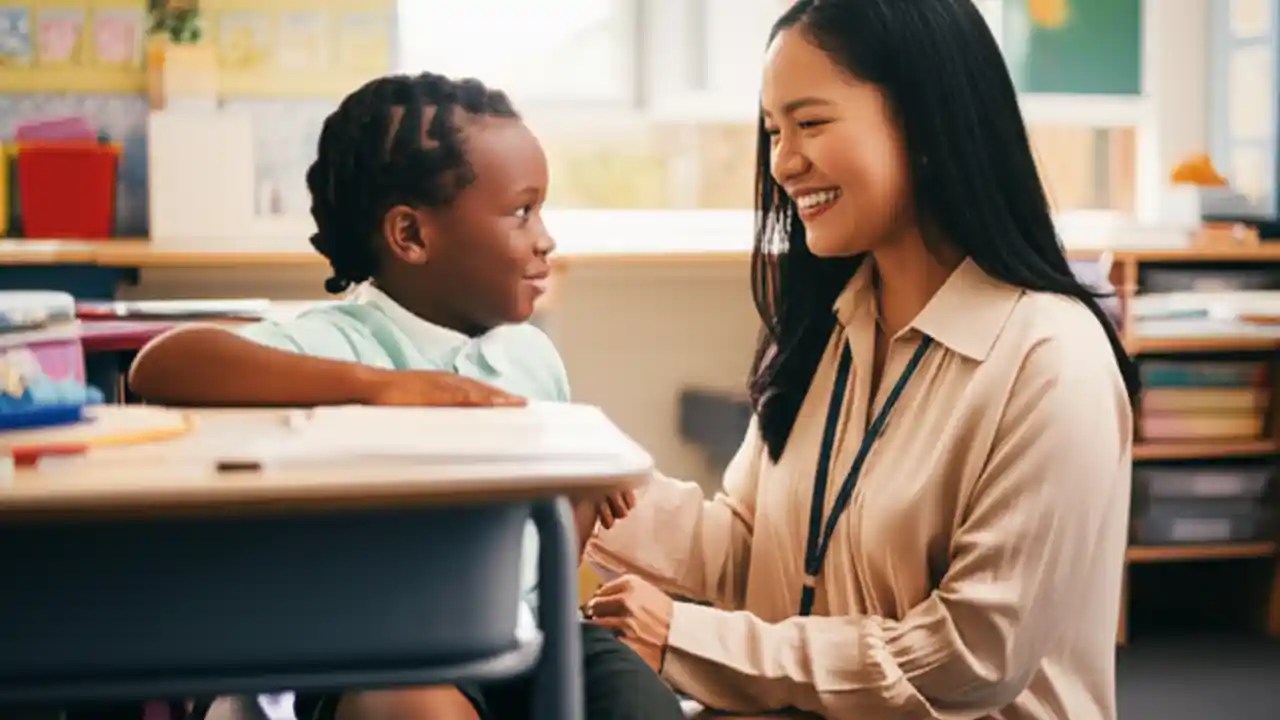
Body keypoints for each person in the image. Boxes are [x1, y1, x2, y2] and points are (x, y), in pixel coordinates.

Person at [581, 1, 1137, 719]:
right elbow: (753, 556)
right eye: (775, 130)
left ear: (924, 117)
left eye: (810, 123)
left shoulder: (1051, 358)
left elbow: (971, 654)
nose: (782, 161)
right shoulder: (825, 333)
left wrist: (687, 639)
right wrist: (589, 487)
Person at [128, 72, 684, 720]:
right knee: (418, 708)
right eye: (520, 212)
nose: (545, 238)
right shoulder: (345, 342)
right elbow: (163, 364)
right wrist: (380, 389)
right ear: (411, 237)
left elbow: (542, 559)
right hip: (378, 648)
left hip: (525, 634)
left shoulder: (530, 356)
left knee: (636, 701)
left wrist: (581, 499)